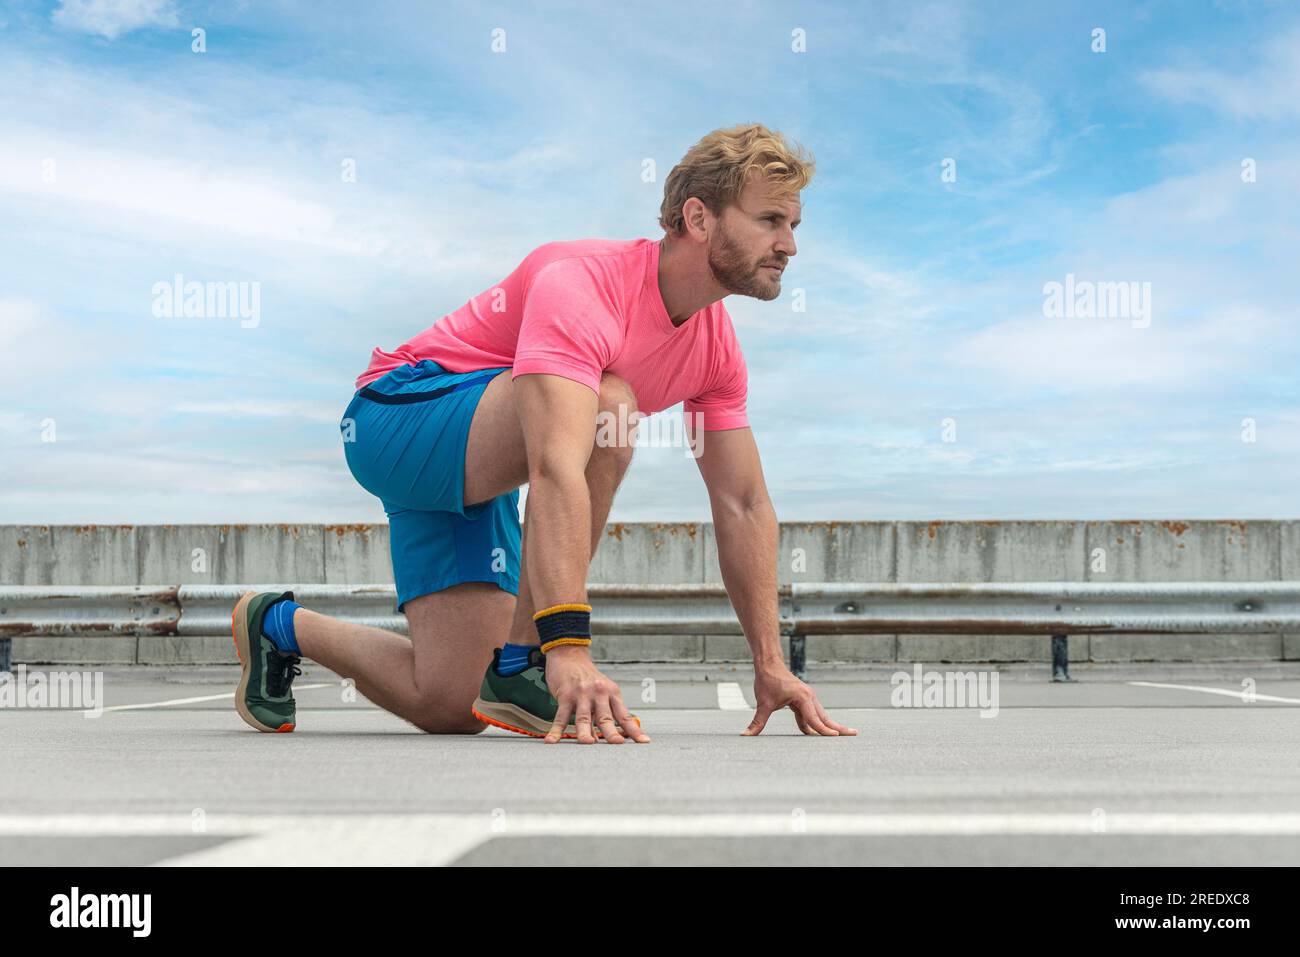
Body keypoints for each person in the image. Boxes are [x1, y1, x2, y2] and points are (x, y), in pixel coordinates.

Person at [230, 122, 858, 745]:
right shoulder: (582, 281)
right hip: (395, 418)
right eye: (770, 220)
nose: (789, 245)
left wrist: (771, 663)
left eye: (794, 225)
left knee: (452, 701)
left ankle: (278, 624)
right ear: (699, 218)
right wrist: (567, 648)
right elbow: (556, 466)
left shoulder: (715, 347)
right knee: (610, 404)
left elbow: (742, 502)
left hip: (480, 462)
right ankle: (526, 660)